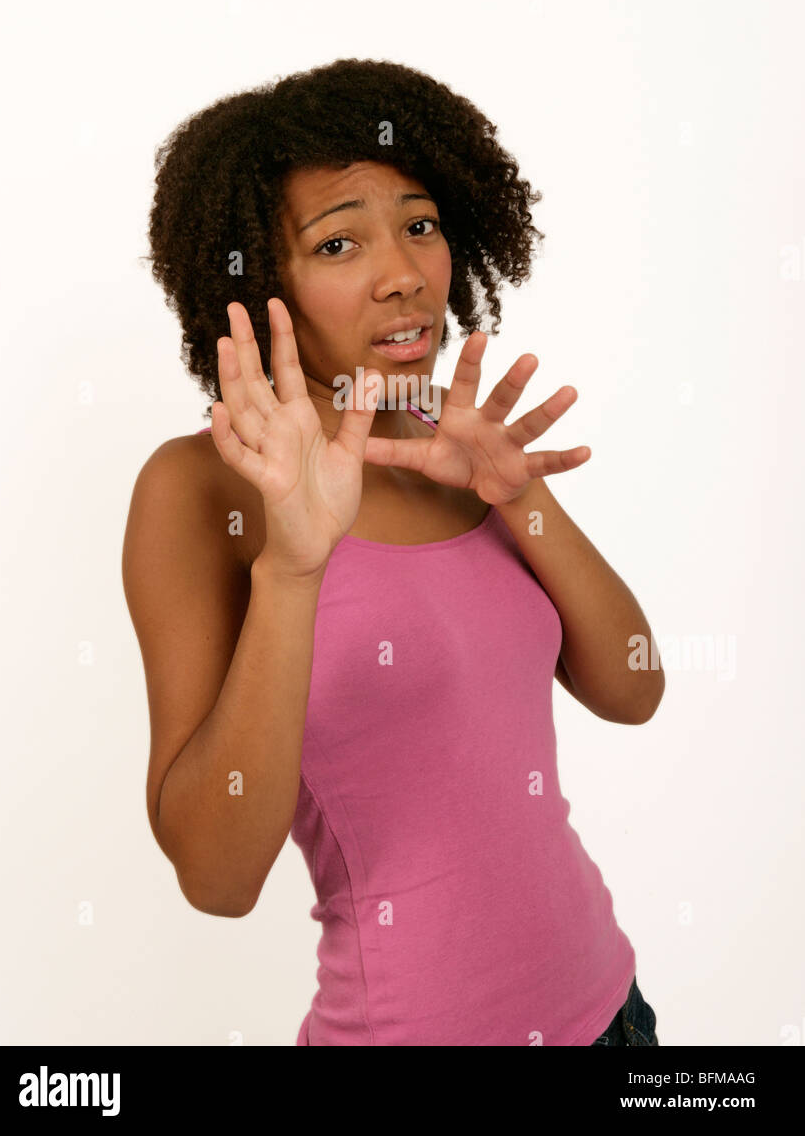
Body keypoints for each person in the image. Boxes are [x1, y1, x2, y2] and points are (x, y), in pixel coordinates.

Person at [122, 57, 664, 1046]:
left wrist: (521, 493)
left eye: (419, 224)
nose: (404, 272)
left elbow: (634, 688)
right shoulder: (198, 489)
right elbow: (215, 875)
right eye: (338, 243)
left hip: (612, 1016)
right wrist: (292, 566)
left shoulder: (448, 439)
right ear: (256, 276)